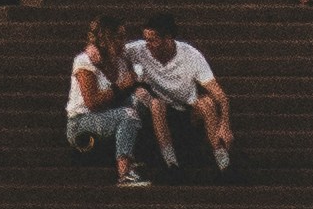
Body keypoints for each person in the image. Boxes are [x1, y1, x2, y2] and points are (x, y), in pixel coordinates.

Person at [62, 19, 167, 192]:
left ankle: (146, 156)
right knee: (128, 114)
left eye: (124, 37)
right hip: (81, 123)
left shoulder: (119, 61)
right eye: (118, 38)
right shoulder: (84, 61)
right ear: (104, 39)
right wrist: (120, 86)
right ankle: (125, 173)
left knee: (142, 98)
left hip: (109, 116)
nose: (123, 43)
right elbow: (92, 102)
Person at [125, 13, 233, 179]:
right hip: (162, 112)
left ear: (168, 38)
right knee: (155, 104)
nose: (148, 45)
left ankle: (224, 164)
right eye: (146, 39)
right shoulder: (140, 49)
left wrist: (224, 124)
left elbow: (219, 95)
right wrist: (92, 49)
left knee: (207, 103)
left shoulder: (190, 55)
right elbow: (112, 50)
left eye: (153, 40)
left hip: (188, 113)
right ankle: (171, 165)